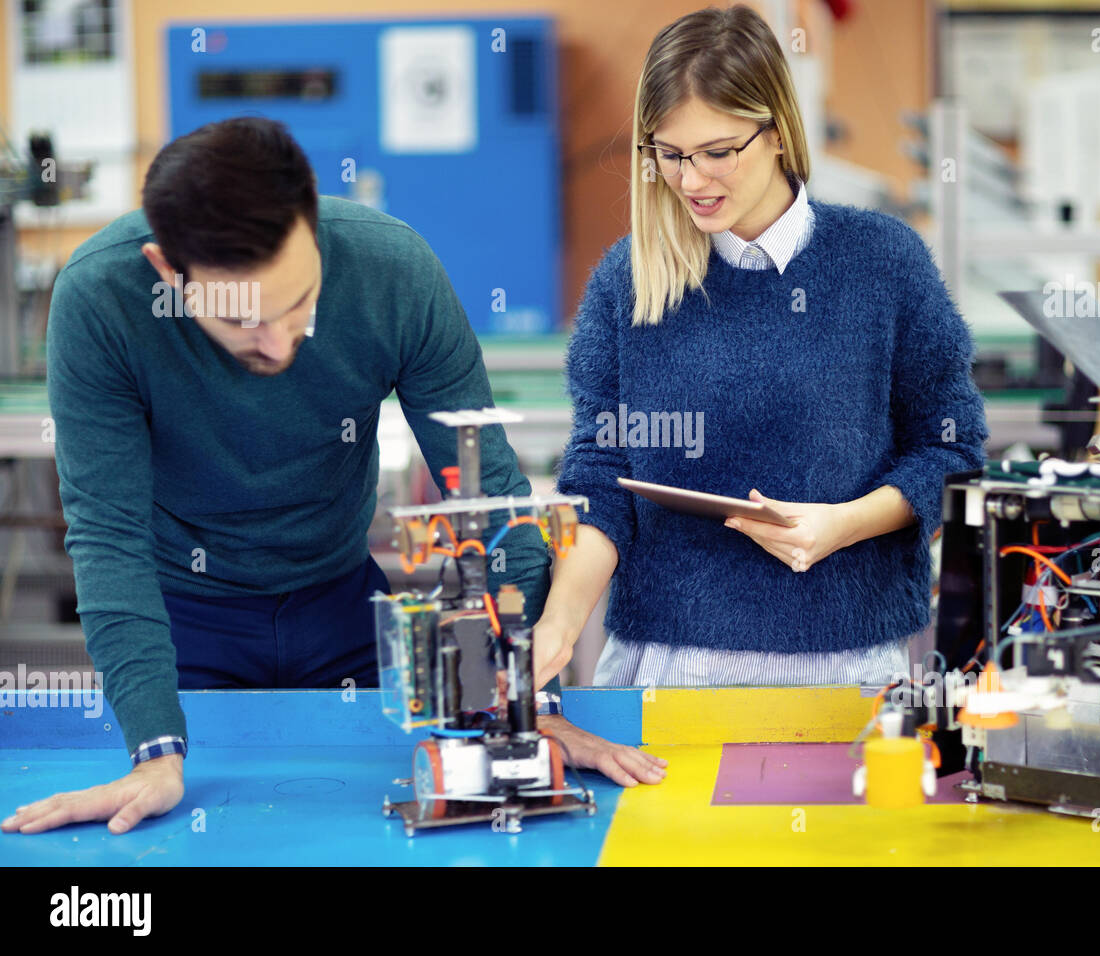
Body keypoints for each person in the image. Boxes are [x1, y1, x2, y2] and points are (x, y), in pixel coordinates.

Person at [3, 118, 663, 838]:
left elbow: (486, 494)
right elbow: (108, 540)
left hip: (344, 608)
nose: (280, 342)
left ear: (313, 226)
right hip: (182, 619)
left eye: (299, 304)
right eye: (246, 322)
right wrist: (155, 751)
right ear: (171, 273)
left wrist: (530, 704)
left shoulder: (392, 270)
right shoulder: (101, 301)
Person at [530, 5, 988, 689]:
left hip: (847, 671)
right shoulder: (628, 282)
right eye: (670, 154)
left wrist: (843, 524)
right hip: (663, 671)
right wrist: (557, 628)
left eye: (717, 152)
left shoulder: (881, 262)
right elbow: (601, 478)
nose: (690, 181)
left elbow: (953, 451)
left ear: (776, 132)